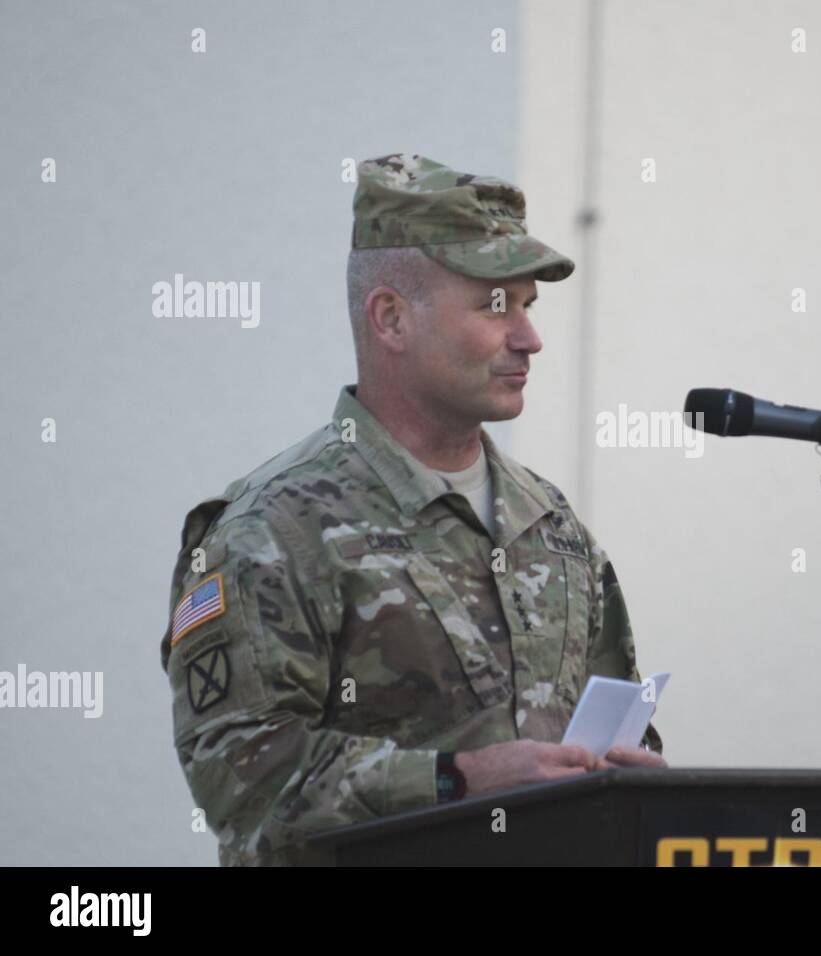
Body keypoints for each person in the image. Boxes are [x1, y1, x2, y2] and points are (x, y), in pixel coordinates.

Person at [160, 153, 666, 866]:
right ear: (391, 318)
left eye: (528, 305)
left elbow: (620, 732)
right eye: (496, 305)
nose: (529, 338)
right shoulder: (271, 530)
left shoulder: (551, 527)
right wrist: (458, 781)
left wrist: (633, 786)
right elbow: (242, 781)